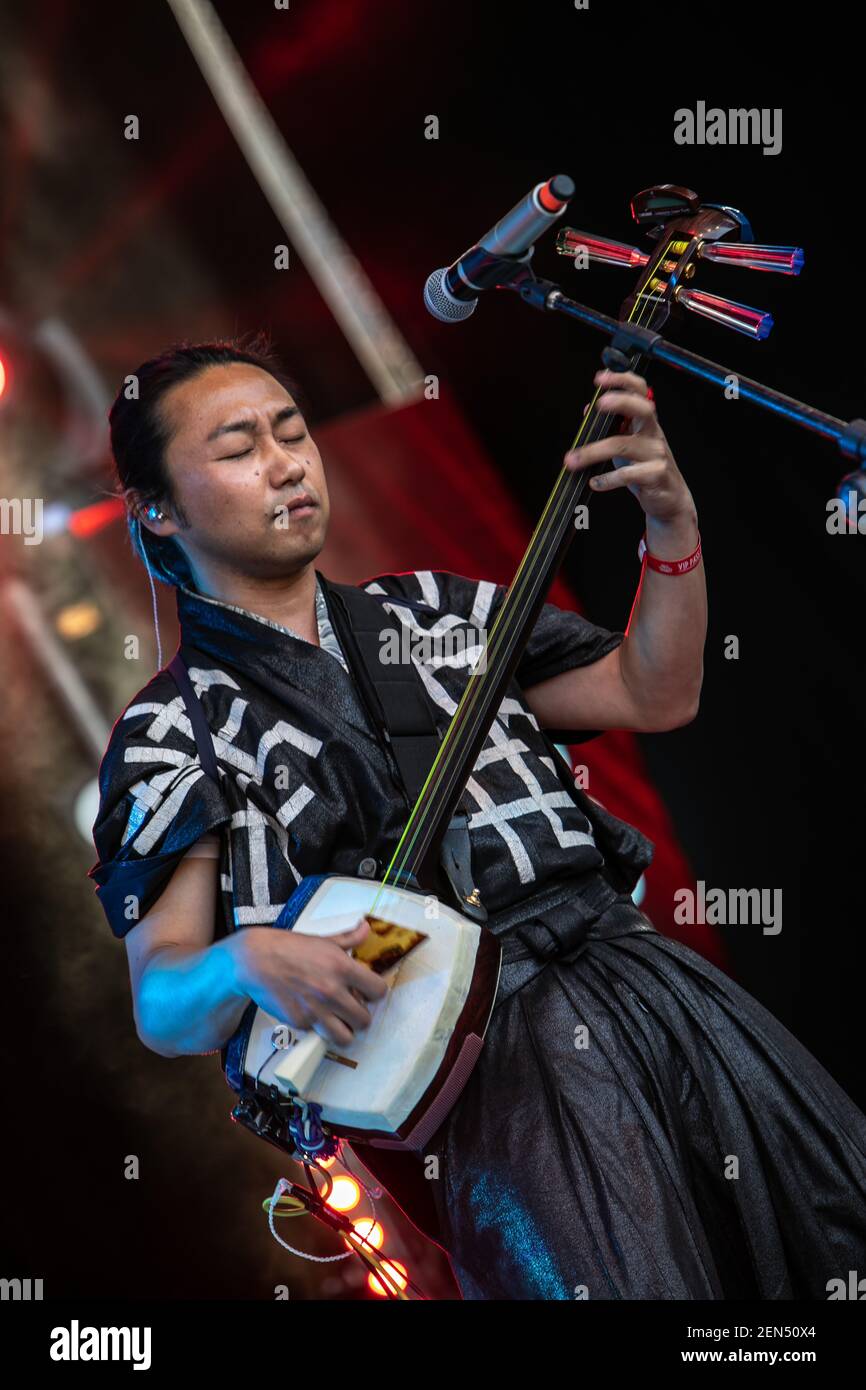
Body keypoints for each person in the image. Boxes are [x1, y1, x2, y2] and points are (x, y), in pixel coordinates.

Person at [89, 334, 866, 1301]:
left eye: (292, 431)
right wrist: (245, 959)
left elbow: (651, 689)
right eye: (239, 447)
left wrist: (671, 526)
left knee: (829, 1232)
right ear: (157, 509)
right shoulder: (173, 728)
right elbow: (163, 1003)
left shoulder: (435, 613)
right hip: (493, 1072)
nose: (287, 461)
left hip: (642, 973)